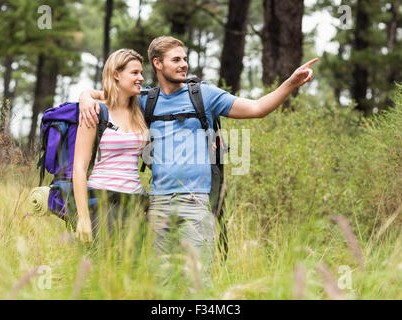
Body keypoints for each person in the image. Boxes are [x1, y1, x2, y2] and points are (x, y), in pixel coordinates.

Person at [78, 36, 317, 278]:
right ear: (158, 63)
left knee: (197, 281)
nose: (184, 64)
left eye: (185, 59)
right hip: (157, 205)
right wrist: (85, 96)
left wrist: (290, 83)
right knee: (160, 283)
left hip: (196, 203)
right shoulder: (145, 99)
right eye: (176, 59)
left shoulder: (204, 95)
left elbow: (257, 108)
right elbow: (113, 93)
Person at [73, 48, 148, 243]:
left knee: (133, 271)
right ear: (116, 74)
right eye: (134, 73)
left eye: (141, 73)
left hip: (135, 204)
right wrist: (83, 218)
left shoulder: (140, 112)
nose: (141, 77)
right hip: (102, 202)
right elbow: (79, 168)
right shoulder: (95, 112)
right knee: (101, 270)